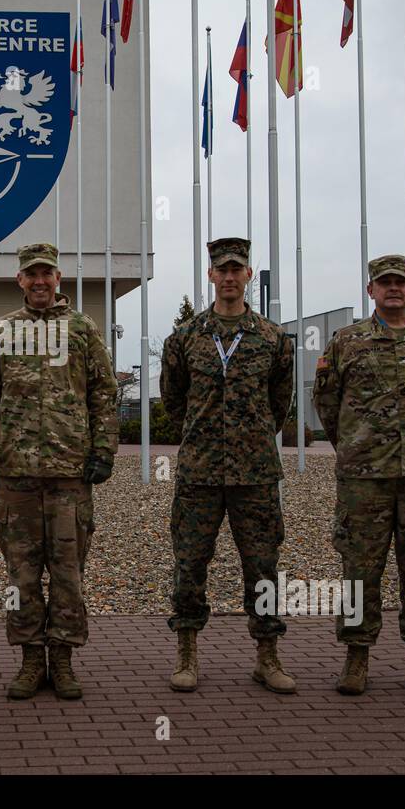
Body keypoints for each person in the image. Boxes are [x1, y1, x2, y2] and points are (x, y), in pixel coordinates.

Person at [0, 242, 118, 700]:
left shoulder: (82, 329)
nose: (39, 282)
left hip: (70, 474)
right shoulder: (2, 331)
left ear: (58, 279)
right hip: (16, 475)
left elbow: (104, 394)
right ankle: (31, 659)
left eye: (46, 274)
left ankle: (65, 659)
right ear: (19, 280)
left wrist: (104, 450)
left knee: (69, 573)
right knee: (22, 576)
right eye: (30, 274)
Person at [312, 254, 405, 699]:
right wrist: (358, 445)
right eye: (384, 283)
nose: (393, 289)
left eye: (400, 282)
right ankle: (356, 658)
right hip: (365, 477)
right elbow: (327, 402)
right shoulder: (347, 341)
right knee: (360, 571)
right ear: (371, 291)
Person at [160, 237, 296, 694]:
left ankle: (267, 656)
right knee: (190, 564)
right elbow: (173, 400)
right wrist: (200, 436)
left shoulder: (273, 339)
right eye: (223, 270)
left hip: (255, 473)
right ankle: (186, 654)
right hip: (199, 472)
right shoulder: (185, 338)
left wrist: (251, 436)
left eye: (238, 269)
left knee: (262, 565)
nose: (231, 277)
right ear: (211, 276)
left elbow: (281, 403)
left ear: (248, 275)